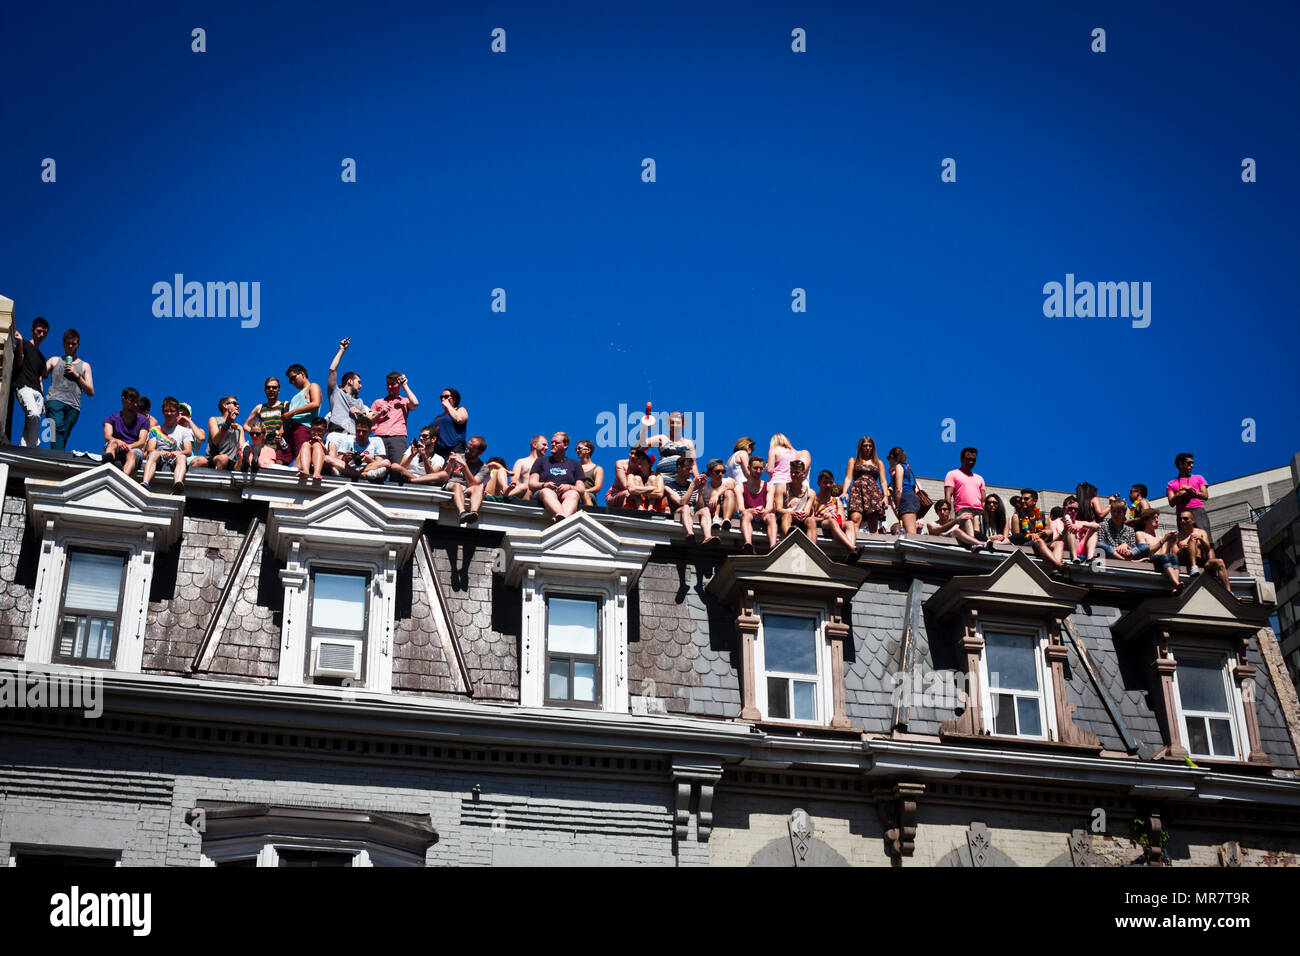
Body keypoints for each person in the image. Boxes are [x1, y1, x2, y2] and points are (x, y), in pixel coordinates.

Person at [43, 328, 94, 450]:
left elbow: (90, 391)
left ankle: (55, 459)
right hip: (55, 401)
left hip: (73, 406)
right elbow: (38, 373)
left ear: (78, 345)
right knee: (58, 430)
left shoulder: (85, 365)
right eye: (68, 343)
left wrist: (77, 376)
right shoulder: (55, 360)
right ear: (63, 344)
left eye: (73, 344)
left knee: (62, 436)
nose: (70, 346)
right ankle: (58, 462)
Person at [11, 316, 50, 447]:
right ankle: (35, 445)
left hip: (38, 392)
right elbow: (19, 362)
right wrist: (20, 341)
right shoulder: (25, 344)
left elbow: (40, 379)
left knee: (31, 422)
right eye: (39, 331)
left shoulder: (42, 358)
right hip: (23, 386)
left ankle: (25, 447)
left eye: (45, 333)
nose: (41, 335)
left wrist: (43, 400)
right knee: (33, 415)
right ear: (32, 330)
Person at [141, 397, 193, 494]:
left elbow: (188, 451)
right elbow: (150, 449)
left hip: (176, 457)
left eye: (172, 411)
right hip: (158, 457)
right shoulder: (155, 430)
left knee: (182, 457)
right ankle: (145, 482)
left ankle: (178, 484)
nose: (169, 413)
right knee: (153, 454)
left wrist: (176, 453)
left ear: (177, 413)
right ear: (162, 412)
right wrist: (162, 452)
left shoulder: (185, 431)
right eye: (166, 411)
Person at [529, 432, 586, 522]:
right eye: (552, 442)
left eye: (556, 443)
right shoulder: (541, 461)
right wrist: (544, 485)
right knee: (547, 492)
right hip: (545, 493)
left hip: (566, 493)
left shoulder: (575, 464)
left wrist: (569, 487)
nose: (552, 444)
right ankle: (564, 521)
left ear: (565, 445)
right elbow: (531, 483)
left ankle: (561, 520)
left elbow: (581, 489)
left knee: (573, 494)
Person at [1172, 510, 1232, 593]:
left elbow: (1207, 549)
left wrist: (1200, 539)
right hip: (1185, 561)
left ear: (1193, 521)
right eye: (1180, 519)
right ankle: (1193, 566)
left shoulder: (1201, 532)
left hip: (1200, 561)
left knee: (1220, 562)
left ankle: (1229, 592)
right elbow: (1174, 555)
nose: (1182, 521)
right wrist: (1182, 549)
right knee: (1192, 539)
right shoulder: (1178, 536)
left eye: (1185, 519)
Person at [1011, 488, 1071, 569]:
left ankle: (1055, 570)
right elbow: (1016, 537)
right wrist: (1030, 536)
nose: (1022, 501)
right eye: (1022, 499)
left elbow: (1051, 537)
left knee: (1059, 543)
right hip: (1025, 545)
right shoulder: (1017, 516)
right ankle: (1059, 565)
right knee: (1039, 541)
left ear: (1034, 501)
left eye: (1026, 499)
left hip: (1042, 544)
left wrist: (1050, 532)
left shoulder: (1044, 517)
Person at [367, 372, 419, 464]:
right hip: (379, 438)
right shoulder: (378, 402)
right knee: (379, 467)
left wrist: (404, 385)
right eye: (388, 384)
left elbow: (415, 403)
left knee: (398, 466)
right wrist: (380, 413)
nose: (390, 387)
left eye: (393, 384)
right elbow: (368, 422)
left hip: (397, 437)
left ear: (399, 385)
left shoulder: (404, 401)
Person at [844, 436, 889, 537]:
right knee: (854, 519)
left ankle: (875, 548)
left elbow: (883, 481)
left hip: (873, 492)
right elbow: (848, 478)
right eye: (865, 446)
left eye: (870, 446)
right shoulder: (853, 460)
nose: (868, 448)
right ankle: (855, 545)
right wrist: (844, 492)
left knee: (873, 524)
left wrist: (885, 496)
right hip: (857, 491)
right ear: (860, 447)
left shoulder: (879, 463)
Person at [324, 414, 389, 482]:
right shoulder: (348, 439)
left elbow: (379, 462)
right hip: (349, 468)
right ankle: (360, 475)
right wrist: (346, 458)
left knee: (386, 462)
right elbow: (339, 459)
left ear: (370, 431)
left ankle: (357, 474)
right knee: (326, 458)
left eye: (364, 431)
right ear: (355, 430)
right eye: (358, 431)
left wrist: (368, 460)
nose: (361, 434)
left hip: (368, 468)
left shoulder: (376, 440)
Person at [102, 387, 150, 474]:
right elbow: (107, 436)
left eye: (136, 402)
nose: (134, 405)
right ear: (123, 399)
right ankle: (108, 466)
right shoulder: (111, 418)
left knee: (132, 453)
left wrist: (129, 446)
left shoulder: (144, 420)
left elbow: (142, 441)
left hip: (133, 449)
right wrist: (119, 442)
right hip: (116, 446)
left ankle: (122, 477)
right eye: (132, 401)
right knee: (112, 443)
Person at [325, 338, 368, 436]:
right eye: (359, 382)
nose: (361, 386)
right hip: (336, 434)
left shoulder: (359, 402)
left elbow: (366, 423)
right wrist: (342, 350)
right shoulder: (335, 392)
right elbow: (332, 370)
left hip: (352, 437)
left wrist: (360, 413)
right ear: (350, 381)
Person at [244, 378, 292, 464]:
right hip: (263, 446)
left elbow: (290, 424)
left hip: (279, 445)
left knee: (277, 467)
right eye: (268, 387)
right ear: (264, 390)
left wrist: (282, 435)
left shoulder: (284, 405)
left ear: (279, 390)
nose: (271, 390)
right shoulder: (259, 408)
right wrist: (258, 434)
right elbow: (246, 426)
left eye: (274, 387)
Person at [812, 469, 860, 553]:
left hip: (835, 522)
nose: (828, 485)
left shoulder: (836, 500)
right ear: (819, 483)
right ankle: (852, 548)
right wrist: (824, 517)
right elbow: (811, 518)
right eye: (825, 482)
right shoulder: (814, 499)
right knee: (832, 522)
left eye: (830, 483)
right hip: (821, 522)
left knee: (850, 523)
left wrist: (836, 515)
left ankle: (852, 551)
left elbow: (843, 520)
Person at [642, 410, 698, 482]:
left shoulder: (688, 443)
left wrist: (698, 481)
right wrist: (645, 426)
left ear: (683, 424)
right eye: (672, 423)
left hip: (683, 480)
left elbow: (693, 465)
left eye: (678, 423)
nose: (675, 425)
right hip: (663, 479)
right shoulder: (662, 438)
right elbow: (641, 443)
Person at [445, 436, 490, 524]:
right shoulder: (457, 456)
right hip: (451, 484)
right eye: (468, 448)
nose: (468, 451)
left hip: (466, 488)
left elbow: (473, 485)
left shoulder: (483, 467)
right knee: (457, 485)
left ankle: (473, 513)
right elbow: (445, 475)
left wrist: (464, 466)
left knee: (479, 488)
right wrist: (450, 463)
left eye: (472, 450)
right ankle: (462, 513)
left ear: (480, 452)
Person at [737, 455, 777, 554]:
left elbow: (769, 506)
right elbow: (741, 508)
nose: (759, 471)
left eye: (761, 468)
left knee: (771, 516)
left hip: (764, 514)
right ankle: (748, 543)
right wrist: (752, 510)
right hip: (748, 513)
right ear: (748, 468)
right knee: (745, 514)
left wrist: (764, 511)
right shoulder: (740, 487)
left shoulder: (769, 486)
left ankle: (773, 546)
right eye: (755, 468)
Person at [190, 396, 243, 471]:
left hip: (232, 462)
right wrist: (227, 424)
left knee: (243, 463)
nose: (238, 406)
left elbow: (242, 447)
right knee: (223, 458)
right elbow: (216, 440)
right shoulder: (214, 420)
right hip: (214, 459)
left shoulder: (239, 428)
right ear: (225, 405)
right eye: (234, 403)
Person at [944, 447, 986, 539]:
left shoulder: (980, 478)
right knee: (970, 536)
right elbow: (948, 497)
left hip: (980, 512)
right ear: (961, 459)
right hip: (963, 510)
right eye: (968, 459)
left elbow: (983, 501)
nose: (971, 462)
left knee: (981, 536)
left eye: (973, 460)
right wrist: (948, 516)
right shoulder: (952, 474)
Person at [283, 364, 323, 459]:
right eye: (290, 380)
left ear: (302, 374)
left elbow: (315, 403)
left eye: (293, 378)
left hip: (303, 427)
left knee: (301, 458)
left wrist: (292, 413)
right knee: (281, 458)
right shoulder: (295, 396)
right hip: (290, 430)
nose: (292, 382)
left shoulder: (312, 386)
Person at [1135, 509, 1181, 590]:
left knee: (1174, 557)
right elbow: (1146, 551)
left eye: (1157, 518)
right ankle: (1176, 583)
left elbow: (1164, 553)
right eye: (1154, 518)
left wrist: (1170, 542)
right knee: (1165, 557)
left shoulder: (1160, 537)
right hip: (1149, 560)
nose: (1157, 520)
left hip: (1161, 561)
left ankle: (1176, 585)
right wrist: (1164, 540)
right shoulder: (1140, 534)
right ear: (1146, 520)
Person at [1167, 452, 1211, 535]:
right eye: (1189, 463)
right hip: (1181, 513)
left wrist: (1191, 491)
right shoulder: (1171, 484)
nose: (1192, 465)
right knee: (1185, 541)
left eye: (1192, 463)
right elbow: (1171, 503)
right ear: (1180, 464)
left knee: (1205, 538)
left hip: (1197, 510)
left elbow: (1205, 496)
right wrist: (1179, 494)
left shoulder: (1198, 478)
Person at [777, 459, 816, 539]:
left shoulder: (811, 493)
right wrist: (792, 513)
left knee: (811, 521)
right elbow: (778, 508)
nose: (793, 475)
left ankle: (812, 548)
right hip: (785, 518)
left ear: (804, 474)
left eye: (796, 473)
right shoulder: (782, 487)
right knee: (787, 515)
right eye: (792, 473)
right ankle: (790, 539)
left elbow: (807, 511)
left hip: (801, 520)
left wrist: (802, 514)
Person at [886, 446, 920, 535]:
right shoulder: (906, 467)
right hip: (911, 499)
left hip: (906, 499)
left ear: (892, 457)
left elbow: (898, 489)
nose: (888, 461)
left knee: (910, 533)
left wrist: (897, 505)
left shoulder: (899, 467)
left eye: (888, 458)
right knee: (907, 531)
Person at [697, 458, 736, 535]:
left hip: (730, 510)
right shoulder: (705, 488)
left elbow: (730, 485)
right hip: (712, 512)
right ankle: (716, 518)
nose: (721, 474)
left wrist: (716, 495)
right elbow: (700, 507)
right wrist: (700, 490)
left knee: (728, 492)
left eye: (723, 471)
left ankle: (726, 520)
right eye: (718, 472)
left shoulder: (728, 480)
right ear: (710, 473)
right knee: (714, 492)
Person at [1094, 495, 1140, 560]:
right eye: (1113, 511)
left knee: (1144, 547)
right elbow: (1100, 545)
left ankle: (1124, 559)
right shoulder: (1102, 525)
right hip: (1108, 557)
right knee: (1101, 544)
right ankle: (1122, 559)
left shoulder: (1130, 530)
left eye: (1119, 512)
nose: (1115, 514)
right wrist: (1117, 549)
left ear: (1124, 513)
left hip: (1126, 555)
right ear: (1110, 512)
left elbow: (1133, 547)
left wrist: (1126, 545)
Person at [432, 387, 468, 461]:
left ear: (454, 399)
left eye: (446, 397)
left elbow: (459, 419)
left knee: (454, 472)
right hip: (439, 451)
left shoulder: (460, 409)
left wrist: (448, 406)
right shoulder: (439, 417)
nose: (443, 399)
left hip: (455, 449)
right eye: (441, 397)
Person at [509, 436, 548, 501]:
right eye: (544, 444)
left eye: (547, 445)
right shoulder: (521, 462)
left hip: (541, 496)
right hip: (525, 497)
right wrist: (524, 487)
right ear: (534, 445)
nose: (547, 448)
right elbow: (514, 479)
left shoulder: (547, 464)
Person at [576, 440, 604, 507]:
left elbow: (597, 487)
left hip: (589, 495)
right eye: (576, 449)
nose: (577, 451)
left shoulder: (597, 469)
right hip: (574, 493)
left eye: (579, 448)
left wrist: (584, 491)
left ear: (588, 450)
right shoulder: (574, 467)